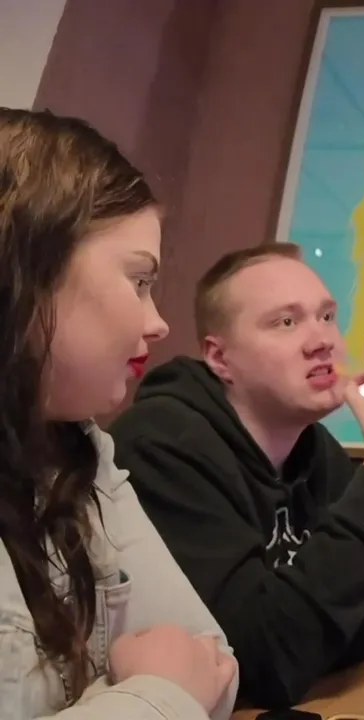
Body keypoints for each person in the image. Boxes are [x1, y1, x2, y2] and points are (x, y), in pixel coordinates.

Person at [107, 243, 364, 708]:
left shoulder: (318, 451)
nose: (322, 341)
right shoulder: (159, 446)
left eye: (326, 316)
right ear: (220, 358)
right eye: (286, 322)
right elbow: (258, 665)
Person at [0, 108, 238, 717]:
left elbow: (214, 665)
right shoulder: (171, 433)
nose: (158, 323)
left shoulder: (76, 448)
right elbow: (239, 661)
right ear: (25, 270)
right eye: (139, 280)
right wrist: (157, 694)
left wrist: (157, 693)